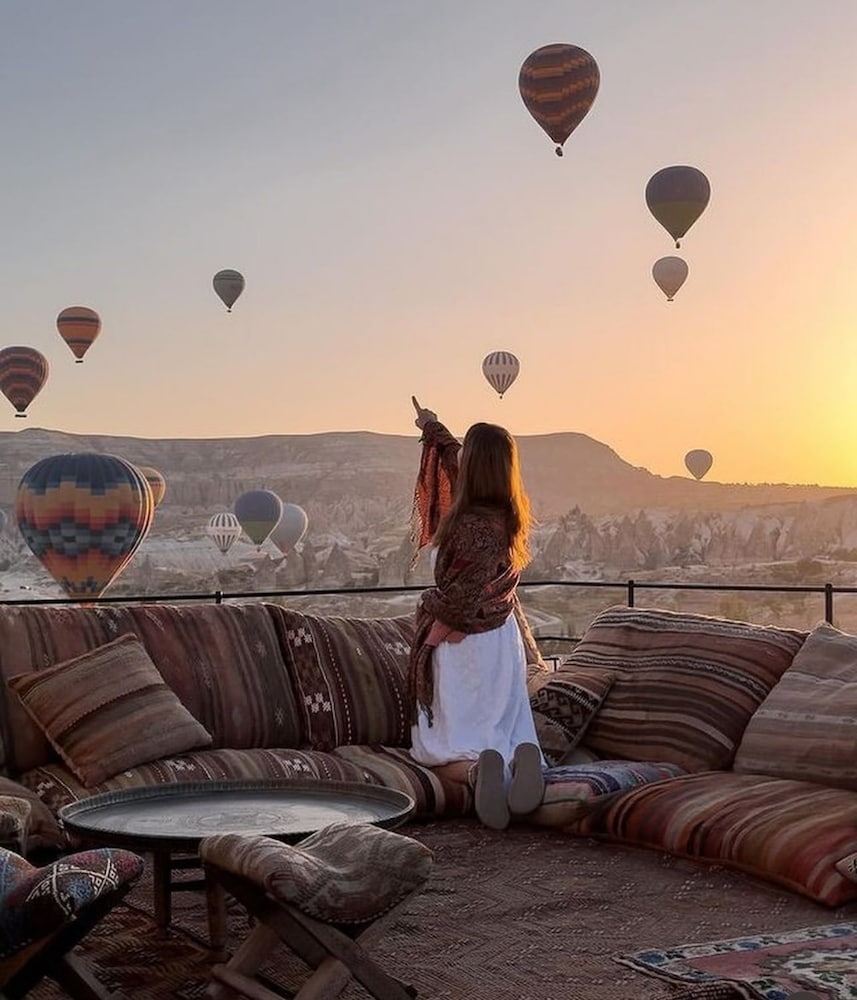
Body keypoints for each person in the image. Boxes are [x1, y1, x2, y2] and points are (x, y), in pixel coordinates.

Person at [407, 396, 546, 830]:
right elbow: (452, 460)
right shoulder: (508, 516)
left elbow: (462, 599)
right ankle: (517, 762)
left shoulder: (467, 524)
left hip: (463, 643)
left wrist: (433, 623)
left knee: (438, 746)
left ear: (473, 467)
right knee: (500, 728)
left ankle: (476, 773)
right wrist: (431, 427)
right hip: (502, 641)